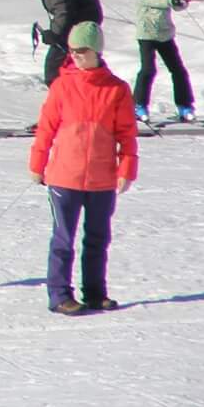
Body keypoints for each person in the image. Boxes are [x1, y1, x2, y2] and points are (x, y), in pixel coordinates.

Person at [28, 20, 139, 314]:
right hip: (65, 176)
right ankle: (59, 295)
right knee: (64, 239)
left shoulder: (117, 89)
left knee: (98, 238)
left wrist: (127, 168)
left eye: (82, 50)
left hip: (102, 178)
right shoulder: (63, 86)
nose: (75, 55)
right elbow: (46, 128)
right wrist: (37, 164)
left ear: (96, 50)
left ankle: (95, 292)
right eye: (73, 50)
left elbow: (127, 134)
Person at [130, 0, 198, 125]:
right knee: (148, 70)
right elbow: (156, 1)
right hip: (147, 35)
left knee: (178, 70)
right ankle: (139, 106)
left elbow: (174, 5)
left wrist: (181, 1)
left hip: (165, 35)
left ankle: (185, 106)